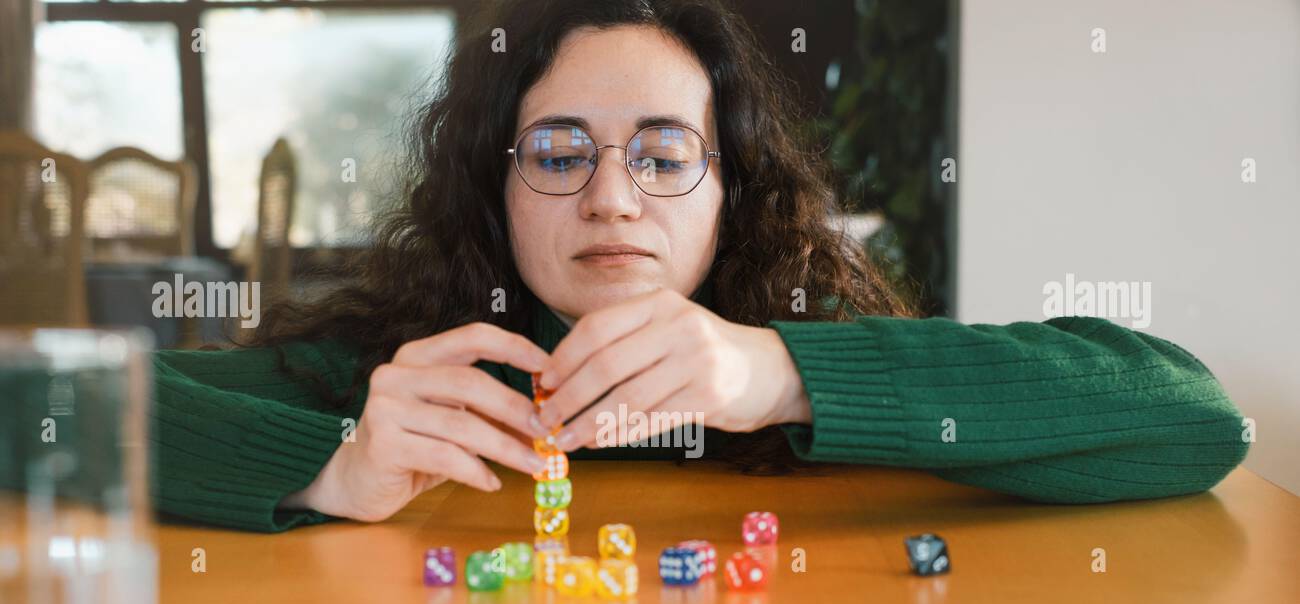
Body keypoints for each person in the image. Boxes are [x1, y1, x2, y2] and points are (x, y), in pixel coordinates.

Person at [152, 0, 1247, 532]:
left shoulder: (806, 352)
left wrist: (778, 376)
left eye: (667, 154)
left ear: (732, 192)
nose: (613, 197)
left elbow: (1193, 415)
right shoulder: (404, 377)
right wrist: (327, 466)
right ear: (494, 187)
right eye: (559, 152)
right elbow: (49, 402)